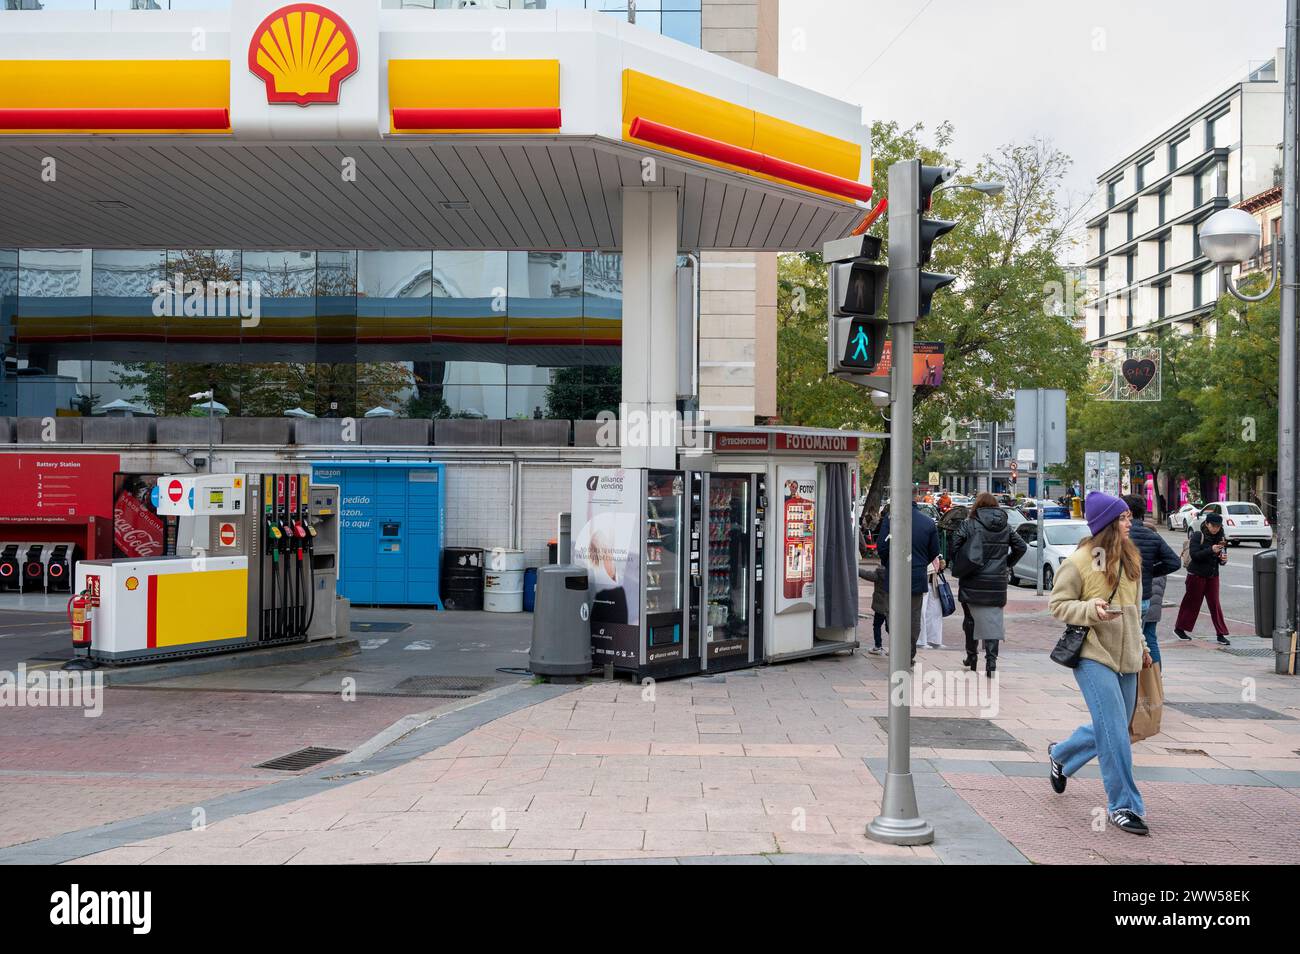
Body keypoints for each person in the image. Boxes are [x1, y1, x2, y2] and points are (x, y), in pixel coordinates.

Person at [1047, 491, 1153, 836]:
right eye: (1123, 518)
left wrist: (1142, 645)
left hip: (1128, 657)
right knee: (1115, 734)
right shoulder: (1079, 560)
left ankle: (1062, 755)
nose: (1130, 522)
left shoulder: (1131, 558)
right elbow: (1059, 604)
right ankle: (1124, 806)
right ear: (1107, 523)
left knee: (1115, 728)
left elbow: (1136, 611)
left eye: (1128, 517)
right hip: (1093, 655)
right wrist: (1090, 609)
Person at [950, 492, 1026, 677]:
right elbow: (1021, 547)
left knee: (970, 620)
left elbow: (954, 546)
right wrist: (1007, 563)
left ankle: (972, 656)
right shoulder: (1005, 527)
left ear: (978, 505)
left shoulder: (969, 524)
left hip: (972, 579)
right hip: (996, 582)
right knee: (993, 620)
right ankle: (991, 662)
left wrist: (962, 562)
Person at [877, 501, 942, 666]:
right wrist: (919, 564)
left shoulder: (890, 520)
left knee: (892, 613)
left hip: (895, 577)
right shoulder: (927, 522)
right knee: (913, 616)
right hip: (916, 577)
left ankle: (898, 648)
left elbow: (882, 548)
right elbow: (934, 552)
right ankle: (909, 652)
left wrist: (890, 563)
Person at [1123, 494, 1180, 664]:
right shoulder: (1152, 535)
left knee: (1130, 642)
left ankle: (1135, 681)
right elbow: (1174, 562)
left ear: (1128, 513)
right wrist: (1150, 572)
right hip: (1146, 598)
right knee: (1149, 638)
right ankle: (1154, 680)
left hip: (1127, 598)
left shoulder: (1122, 536)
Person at [1174, 511, 1231, 645]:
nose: (1215, 528)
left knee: (1215, 604)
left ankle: (1221, 633)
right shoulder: (1198, 535)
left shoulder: (1221, 538)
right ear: (1207, 524)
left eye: (1218, 526)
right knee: (1191, 603)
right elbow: (1195, 555)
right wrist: (1211, 550)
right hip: (1196, 575)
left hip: (1212, 575)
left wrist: (1223, 559)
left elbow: (1222, 557)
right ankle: (1180, 629)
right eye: (1213, 526)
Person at [857, 562, 889, 656]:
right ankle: (894, 647)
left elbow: (865, 574)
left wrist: (855, 568)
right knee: (890, 627)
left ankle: (878, 646)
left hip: (879, 606)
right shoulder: (895, 573)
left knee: (877, 625)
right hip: (890, 606)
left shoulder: (878, 574)